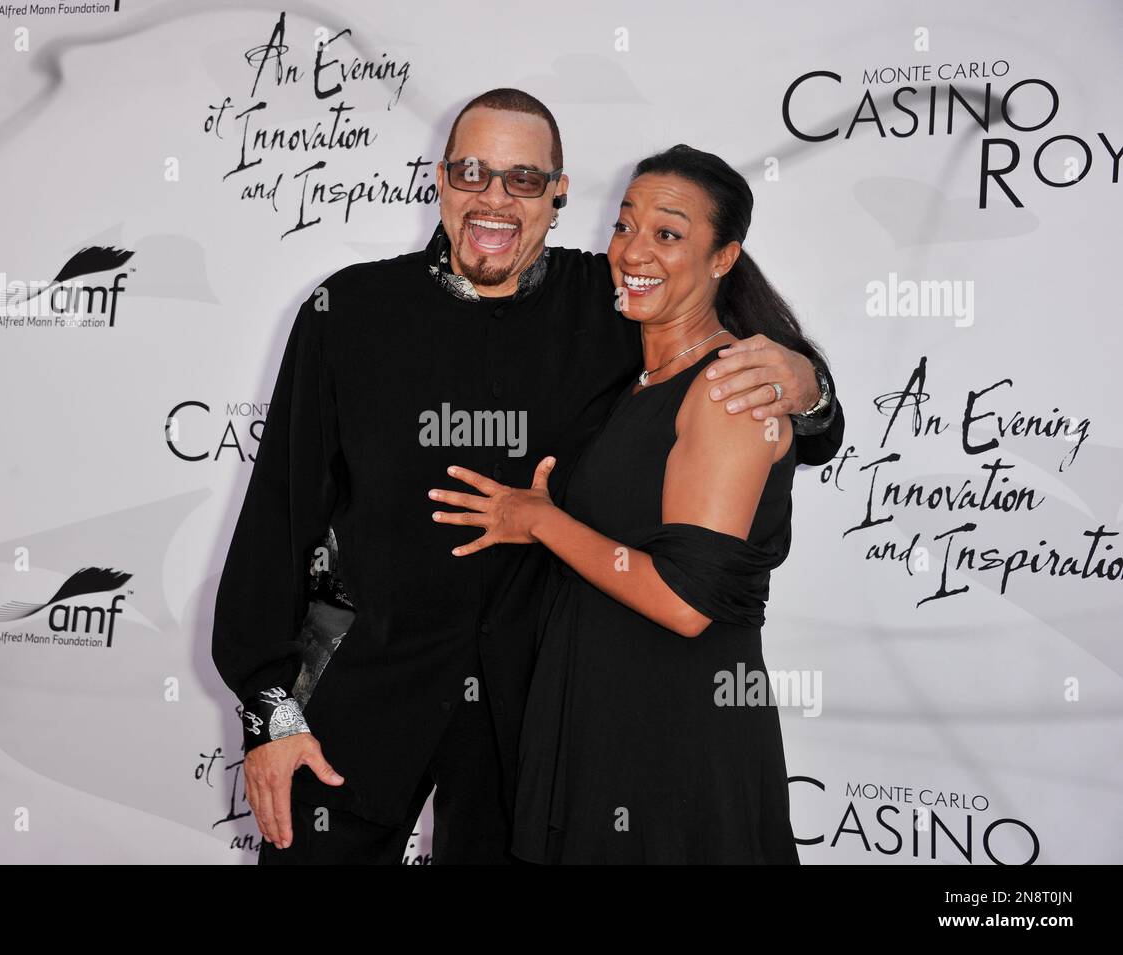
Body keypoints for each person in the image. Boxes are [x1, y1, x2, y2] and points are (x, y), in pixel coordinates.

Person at [211, 89, 843, 864]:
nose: (493, 199)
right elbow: (279, 520)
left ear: (558, 194)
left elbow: (772, 426)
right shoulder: (350, 311)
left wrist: (810, 386)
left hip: (536, 733)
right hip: (361, 702)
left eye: (523, 179)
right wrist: (267, 711)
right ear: (440, 180)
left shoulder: (617, 308)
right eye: (471, 173)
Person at [429, 144, 813, 863]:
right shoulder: (638, 377)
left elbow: (684, 600)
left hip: (672, 738)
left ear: (724, 257)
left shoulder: (728, 390)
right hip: (601, 721)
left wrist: (541, 519)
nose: (634, 249)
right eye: (625, 225)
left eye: (668, 234)